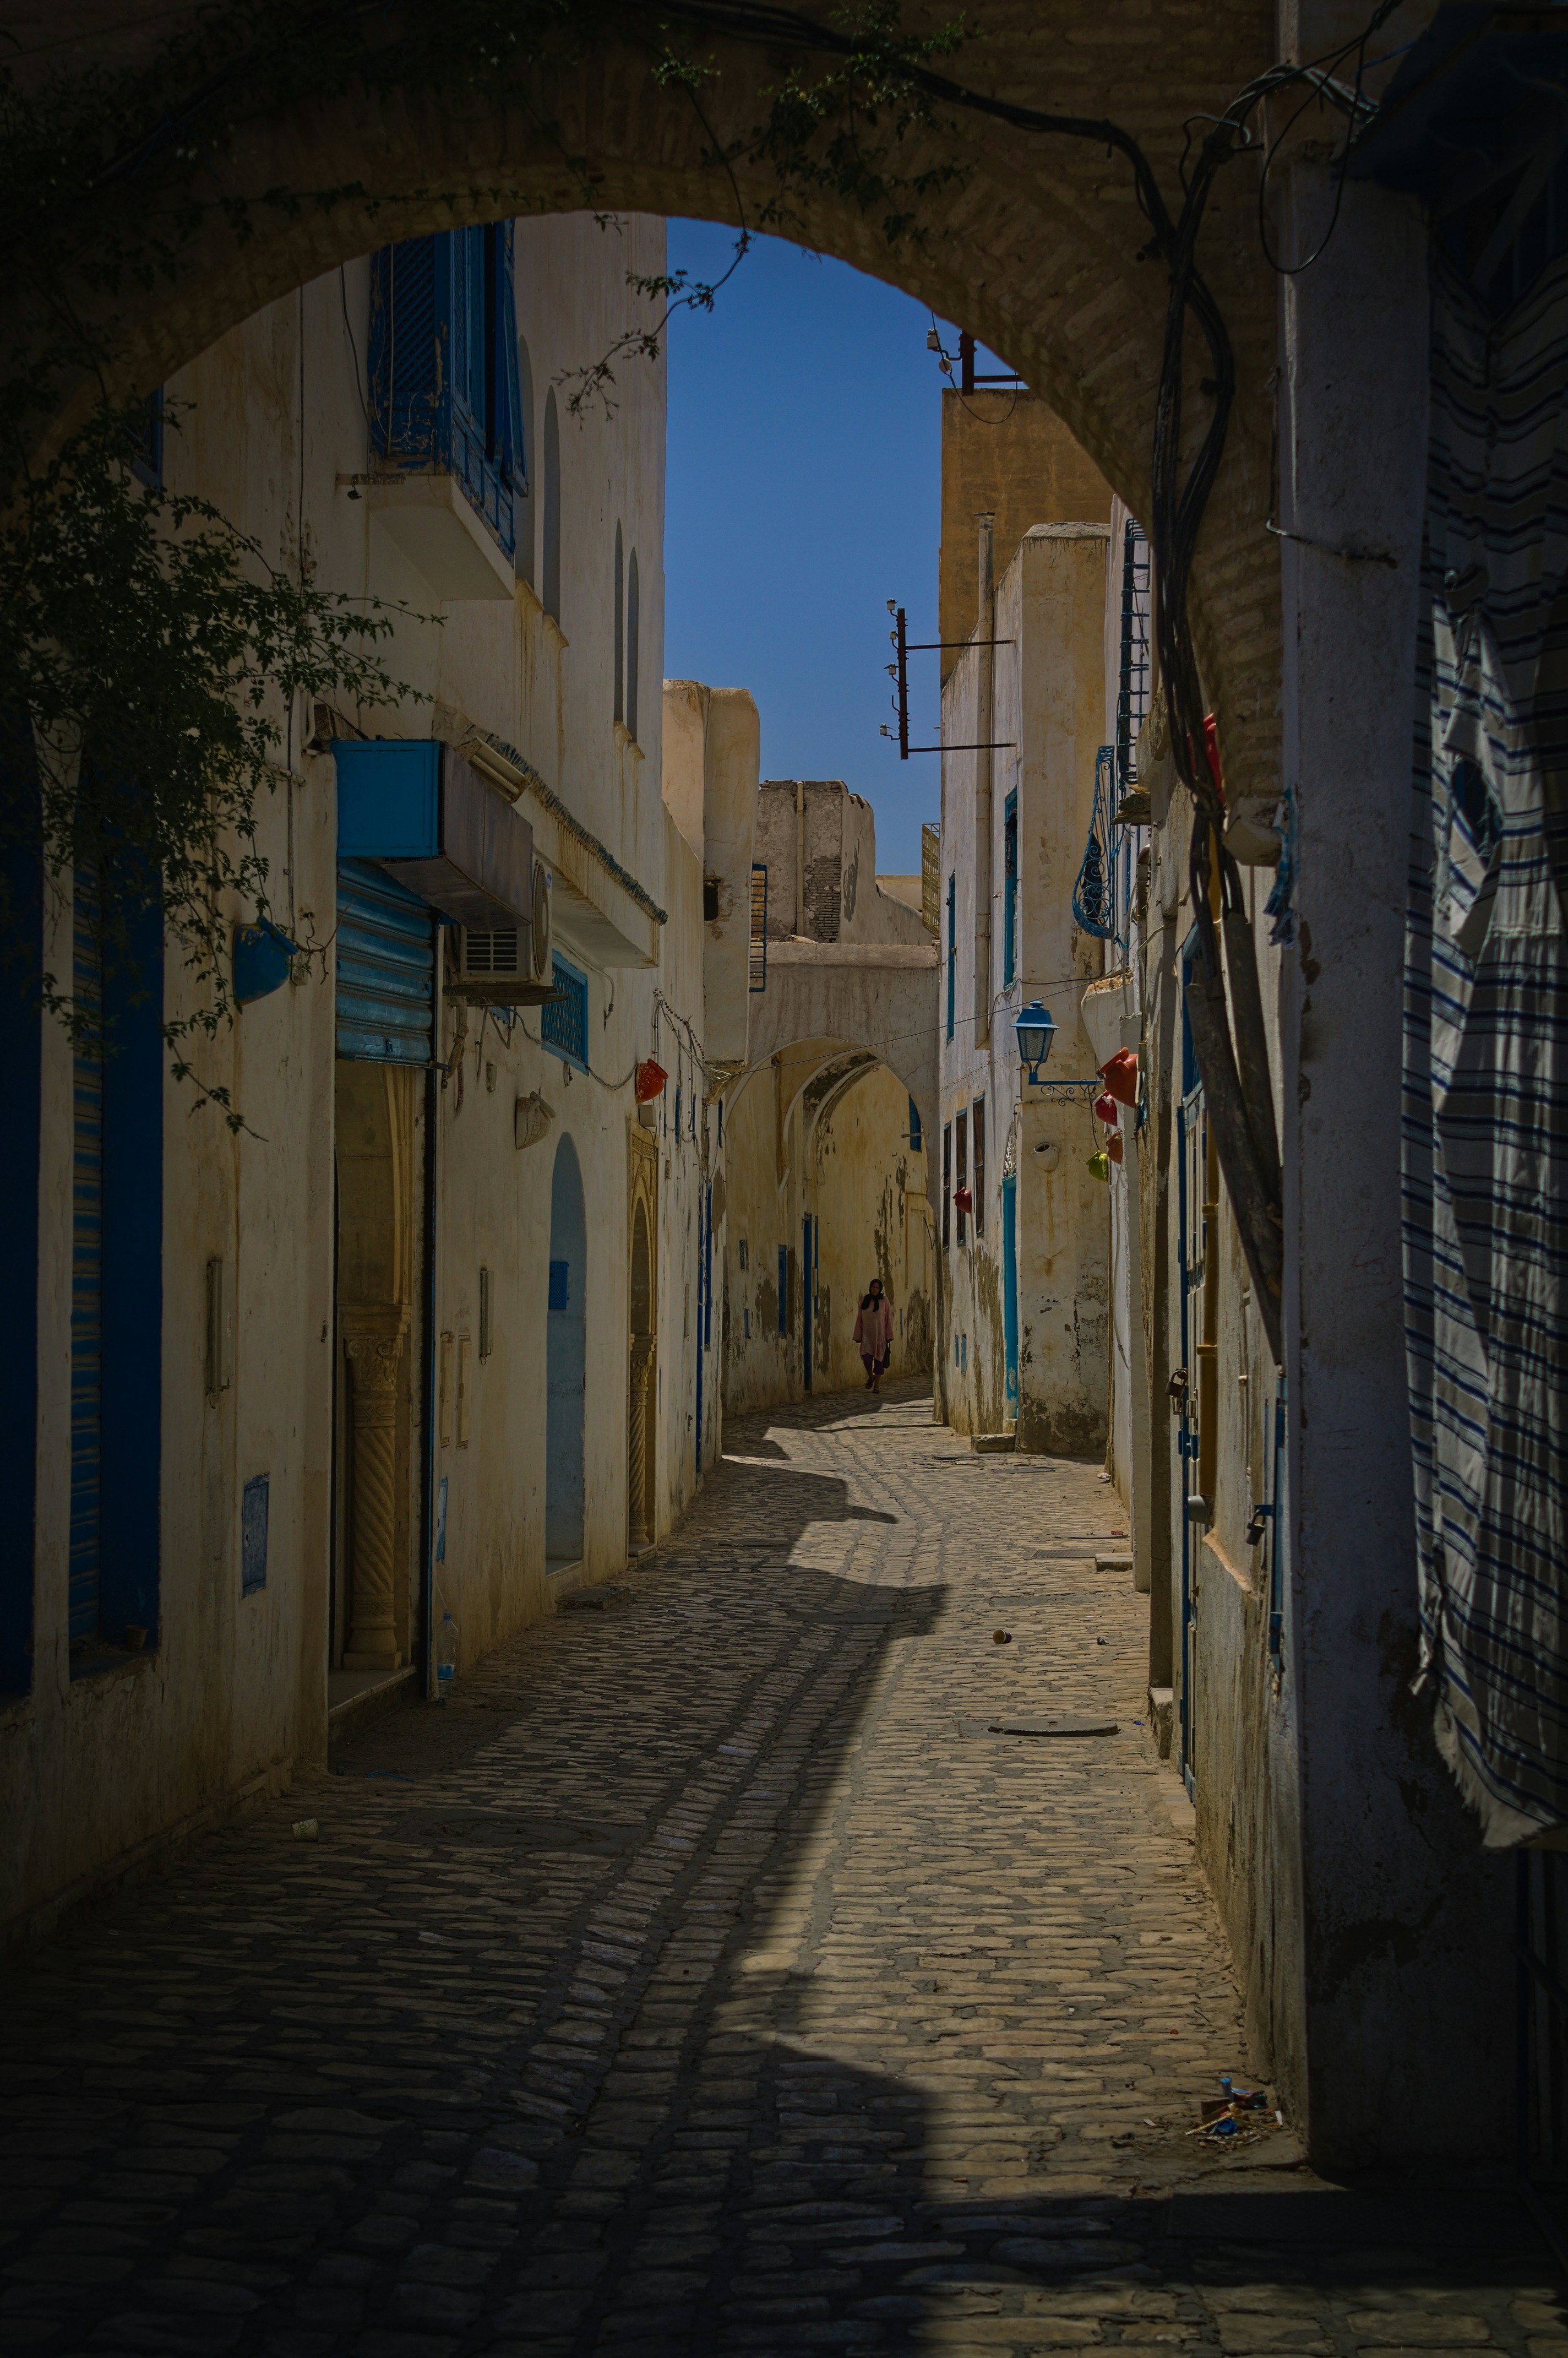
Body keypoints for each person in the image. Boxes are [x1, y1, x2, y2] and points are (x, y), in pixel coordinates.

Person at [854, 1278, 894, 1393]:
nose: (875, 1289)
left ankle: (876, 1386)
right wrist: (858, 1336)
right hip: (867, 1337)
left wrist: (889, 1335)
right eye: (873, 1287)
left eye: (877, 1288)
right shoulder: (865, 1300)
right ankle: (870, 1378)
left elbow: (889, 1320)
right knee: (866, 1359)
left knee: (879, 1363)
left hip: (880, 1337)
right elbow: (859, 1319)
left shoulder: (884, 1301)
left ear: (880, 1289)